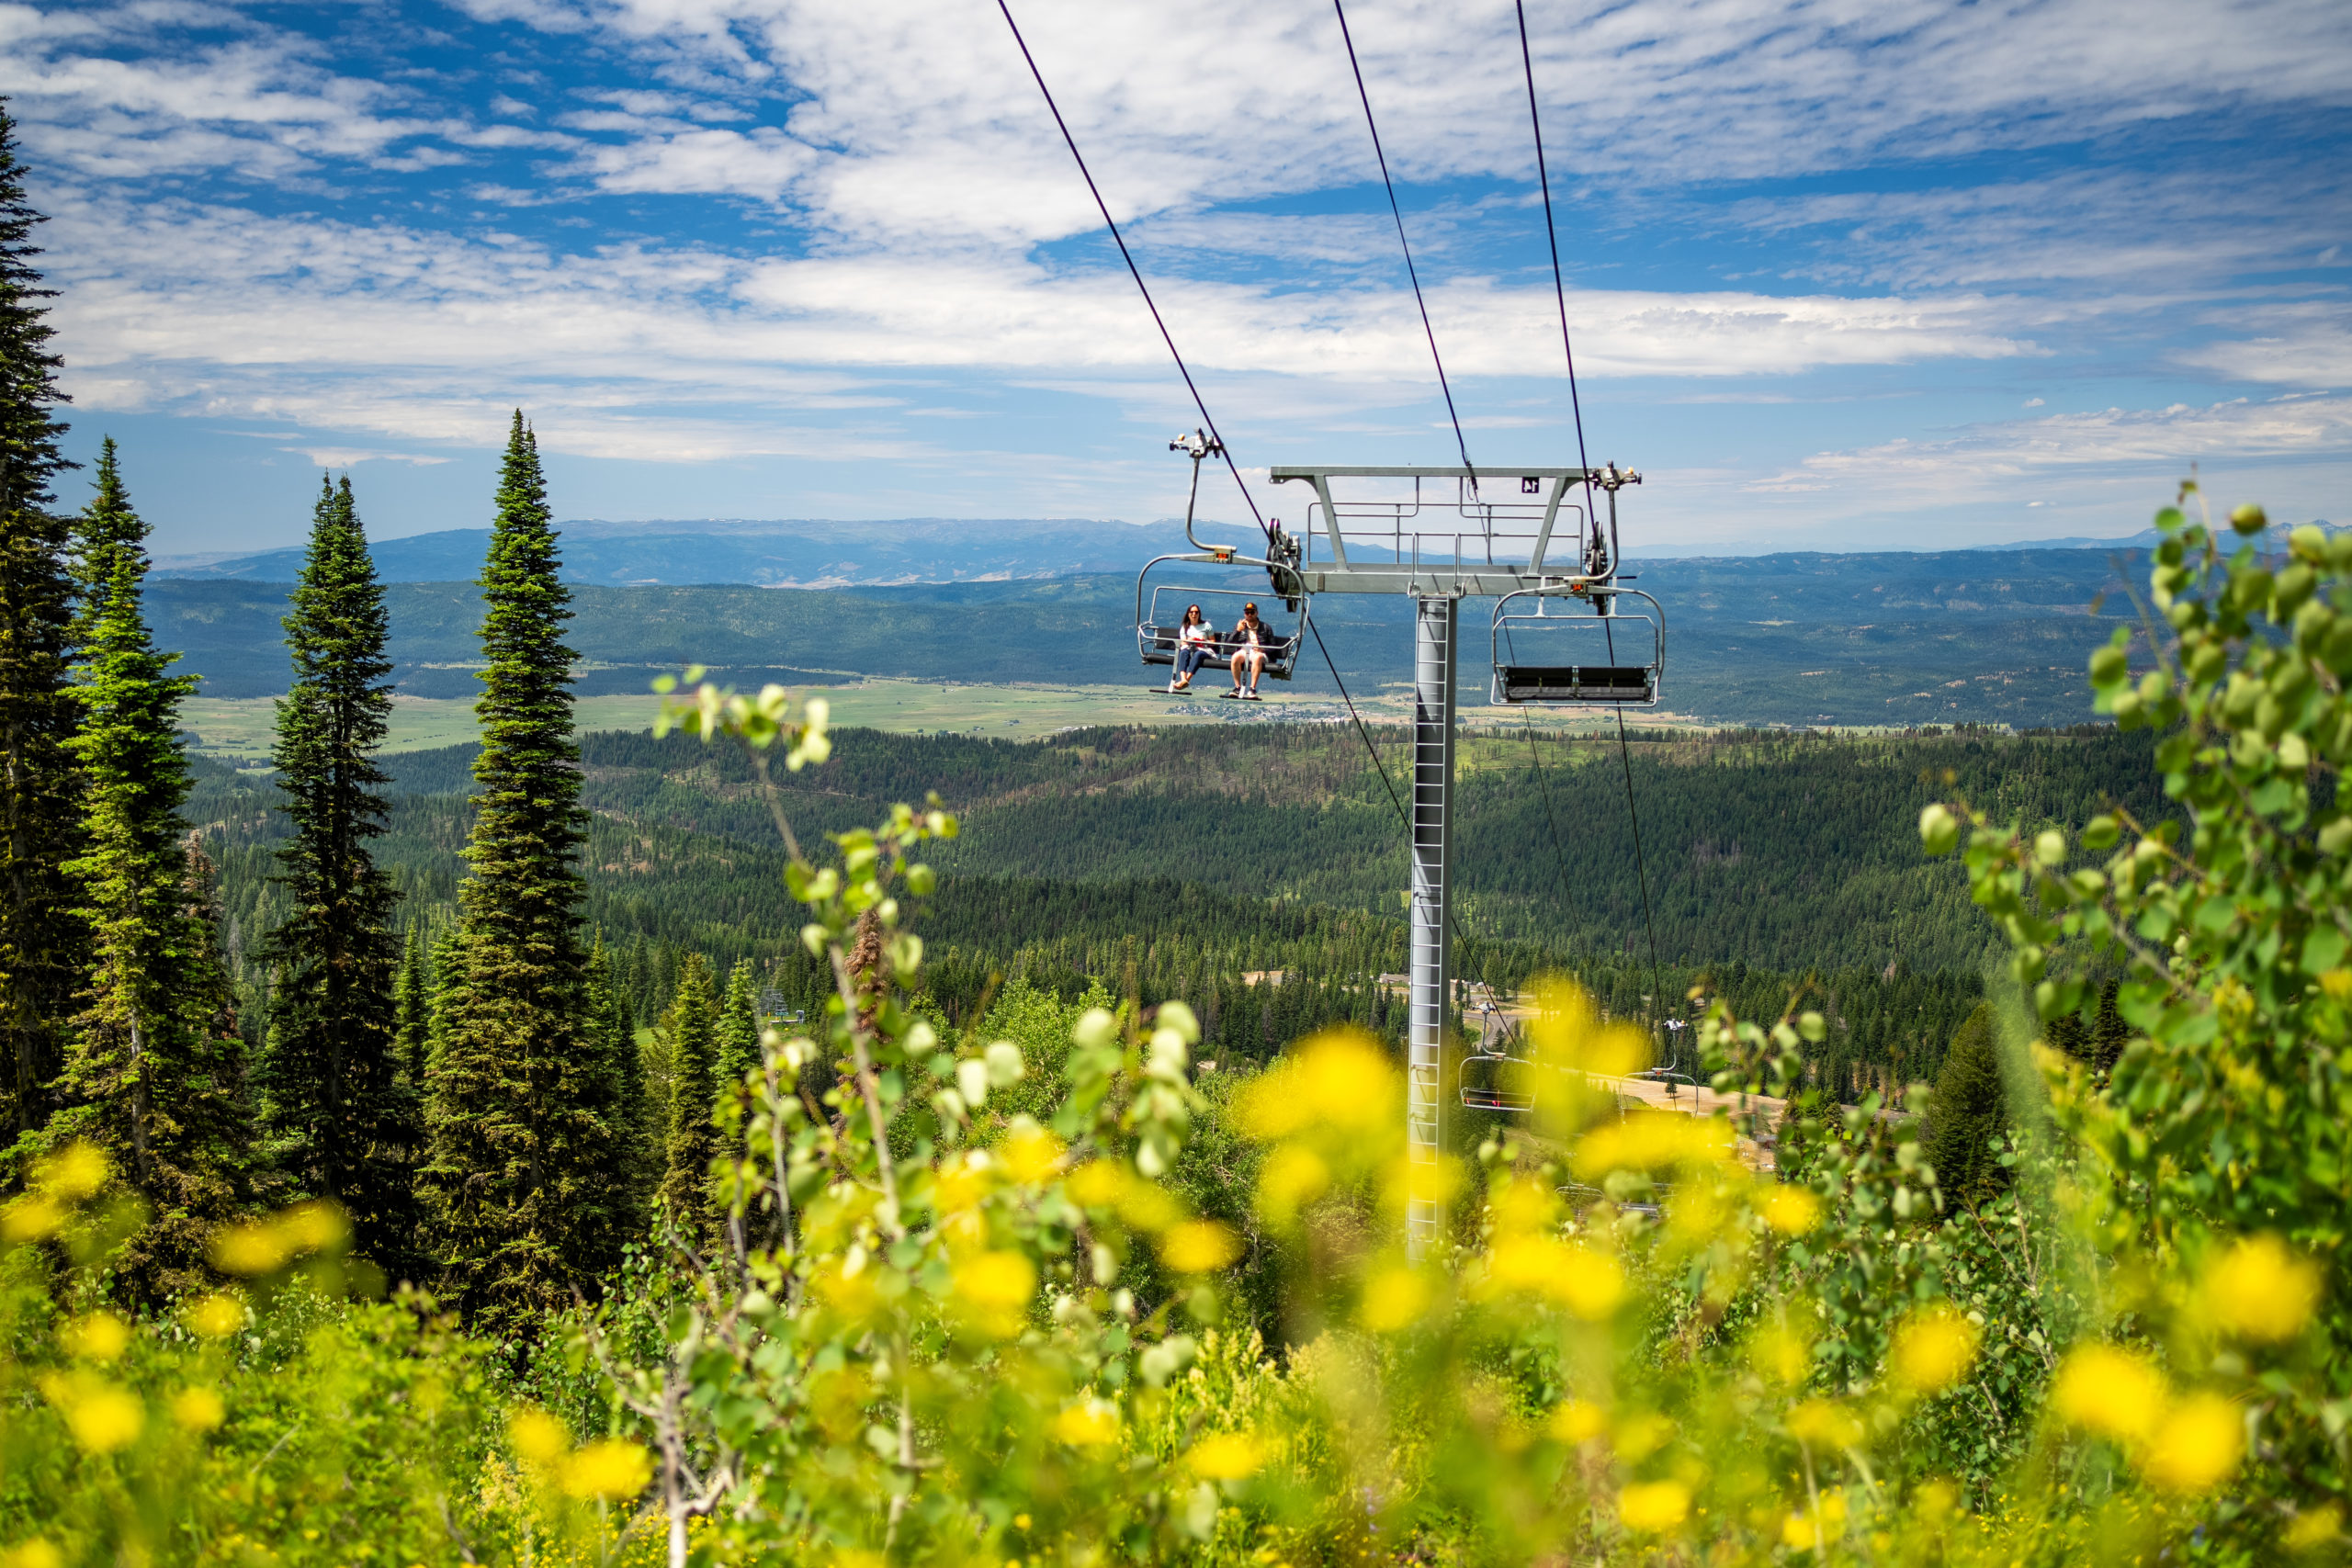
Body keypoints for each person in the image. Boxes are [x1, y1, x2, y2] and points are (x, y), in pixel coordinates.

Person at [1227, 602, 1269, 699]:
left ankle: (1252, 689)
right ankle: (1237, 687)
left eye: (1252, 612)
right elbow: (1230, 643)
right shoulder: (1241, 626)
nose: (1249, 615)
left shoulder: (1265, 627)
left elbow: (1273, 645)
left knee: (1257, 657)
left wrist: (1262, 649)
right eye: (1247, 613)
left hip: (1259, 652)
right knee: (1235, 657)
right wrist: (1238, 631)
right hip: (1245, 650)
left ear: (1256, 613)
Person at [1170, 604, 1215, 693]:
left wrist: (1202, 641)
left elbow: (1213, 642)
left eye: (1196, 612)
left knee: (1198, 654)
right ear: (1188, 614)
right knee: (1183, 652)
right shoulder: (1185, 627)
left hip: (1203, 650)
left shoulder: (1206, 626)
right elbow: (1183, 642)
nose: (1194, 614)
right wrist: (1191, 640)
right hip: (1190, 649)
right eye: (1192, 612)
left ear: (1199, 614)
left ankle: (1186, 680)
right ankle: (1183, 679)